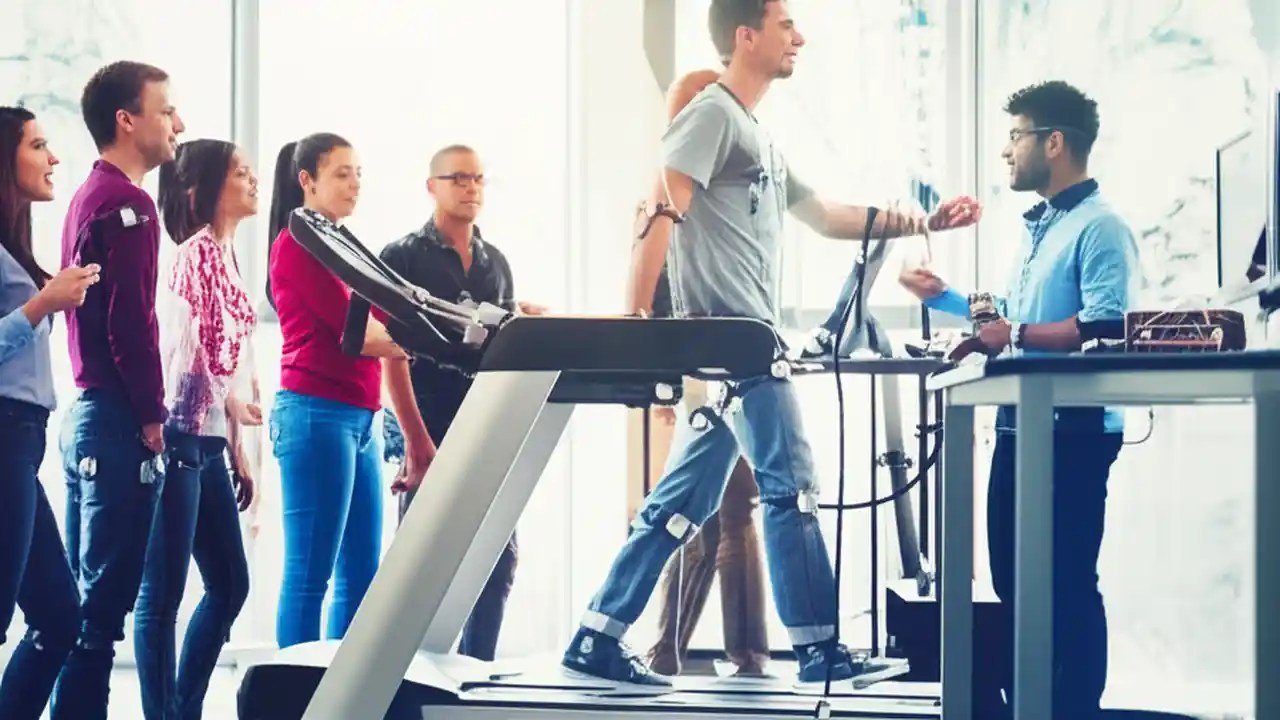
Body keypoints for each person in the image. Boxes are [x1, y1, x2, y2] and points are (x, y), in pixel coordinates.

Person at [565, 0, 979, 687]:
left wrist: (920, 220)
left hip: (739, 348)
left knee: (680, 504)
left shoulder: (756, 135)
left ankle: (595, 637)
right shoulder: (711, 115)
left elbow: (824, 215)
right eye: (787, 25)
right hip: (741, 345)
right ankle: (819, 648)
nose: (800, 36)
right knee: (793, 490)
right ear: (745, 36)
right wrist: (634, 322)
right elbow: (661, 206)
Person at [899, 80, 1137, 719]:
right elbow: (1011, 316)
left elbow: (1105, 325)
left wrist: (1018, 334)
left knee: (1065, 585)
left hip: (1074, 431)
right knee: (1010, 580)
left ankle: (1073, 710)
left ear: (1053, 143)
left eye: (1015, 136)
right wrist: (947, 298)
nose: (1006, 151)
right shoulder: (1040, 230)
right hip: (1017, 427)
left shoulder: (1101, 226)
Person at [54, 60, 185, 719]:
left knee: (86, 609)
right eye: (166, 111)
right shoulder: (128, 203)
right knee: (99, 615)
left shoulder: (90, 193)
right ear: (127, 121)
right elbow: (129, 320)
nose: (177, 125)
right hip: (114, 417)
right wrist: (152, 415)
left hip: (88, 415)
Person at [379, 144, 544, 661]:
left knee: (497, 559)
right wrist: (414, 439)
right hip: (426, 423)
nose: (471, 188)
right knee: (421, 565)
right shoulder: (401, 257)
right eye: (459, 179)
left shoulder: (496, 263)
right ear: (432, 186)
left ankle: (477, 675)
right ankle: (405, 678)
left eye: (478, 179)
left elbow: (503, 346)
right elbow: (390, 351)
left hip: (485, 425)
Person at [636, 69, 771, 679]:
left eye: (683, 114)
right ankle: (738, 653)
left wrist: (659, 376)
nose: (675, 130)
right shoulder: (700, 190)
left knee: (707, 511)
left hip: (712, 366)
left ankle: (674, 649)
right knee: (727, 511)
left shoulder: (685, 194)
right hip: (715, 366)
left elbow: (661, 288)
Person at [267, 133, 424, 648]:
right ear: (306, 181)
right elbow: (357, 335)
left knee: (361, 575)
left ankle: (343, 696)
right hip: (316, 414)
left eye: (359, 172)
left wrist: (407, 336)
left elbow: (386, 325)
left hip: (361, 417)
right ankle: (294, 700)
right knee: (310, 575)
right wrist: (416, 339)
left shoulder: (345, 247)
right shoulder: (296, 246)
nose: (354, 183)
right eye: (341, 173)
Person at [133, 138, 260, 719]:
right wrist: (226, 411)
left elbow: (232, 365)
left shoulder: (231, 257)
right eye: (239, 172)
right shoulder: (194, 254)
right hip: (178, 441)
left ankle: (182, 708)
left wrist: (236, 448)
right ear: (201, 190)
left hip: (208, 445)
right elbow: (186, 357)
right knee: (161, 597)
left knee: (229, 585)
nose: (253, 180)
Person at [0, 107, 99, 720]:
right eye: (38, 145)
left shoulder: (14, 249)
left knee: (59, 617)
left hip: (24, 444)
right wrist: (43, 304)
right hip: (4, 435)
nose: (53, 157)